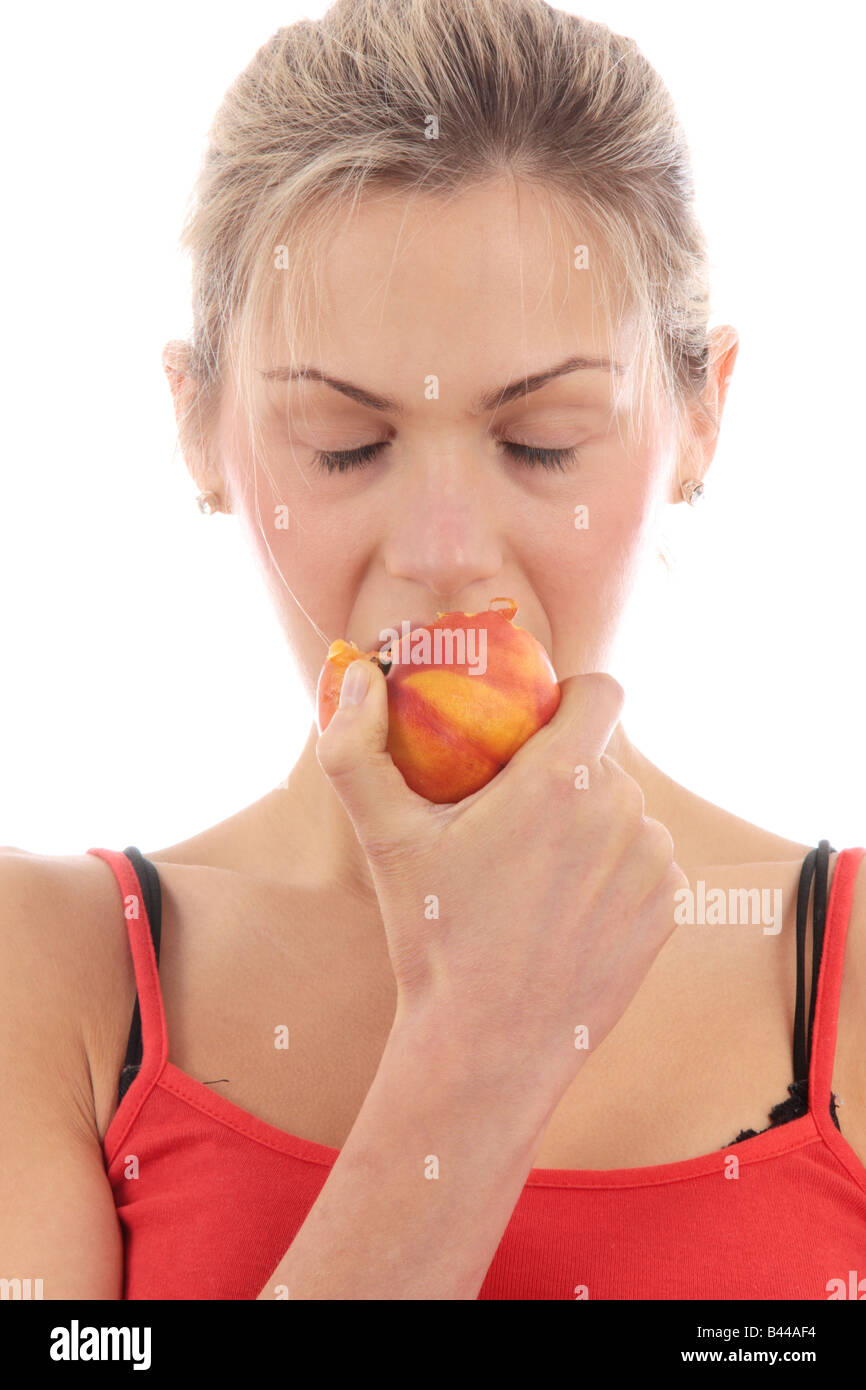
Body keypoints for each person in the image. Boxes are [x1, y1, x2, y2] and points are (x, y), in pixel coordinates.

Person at [3, 0, 864, 1301]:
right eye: (344, 445)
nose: (445, 549)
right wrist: (471, 1064)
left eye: (543, 441)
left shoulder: (841, 975)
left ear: (699, 415)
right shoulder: (47, 978)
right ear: (198, 428)